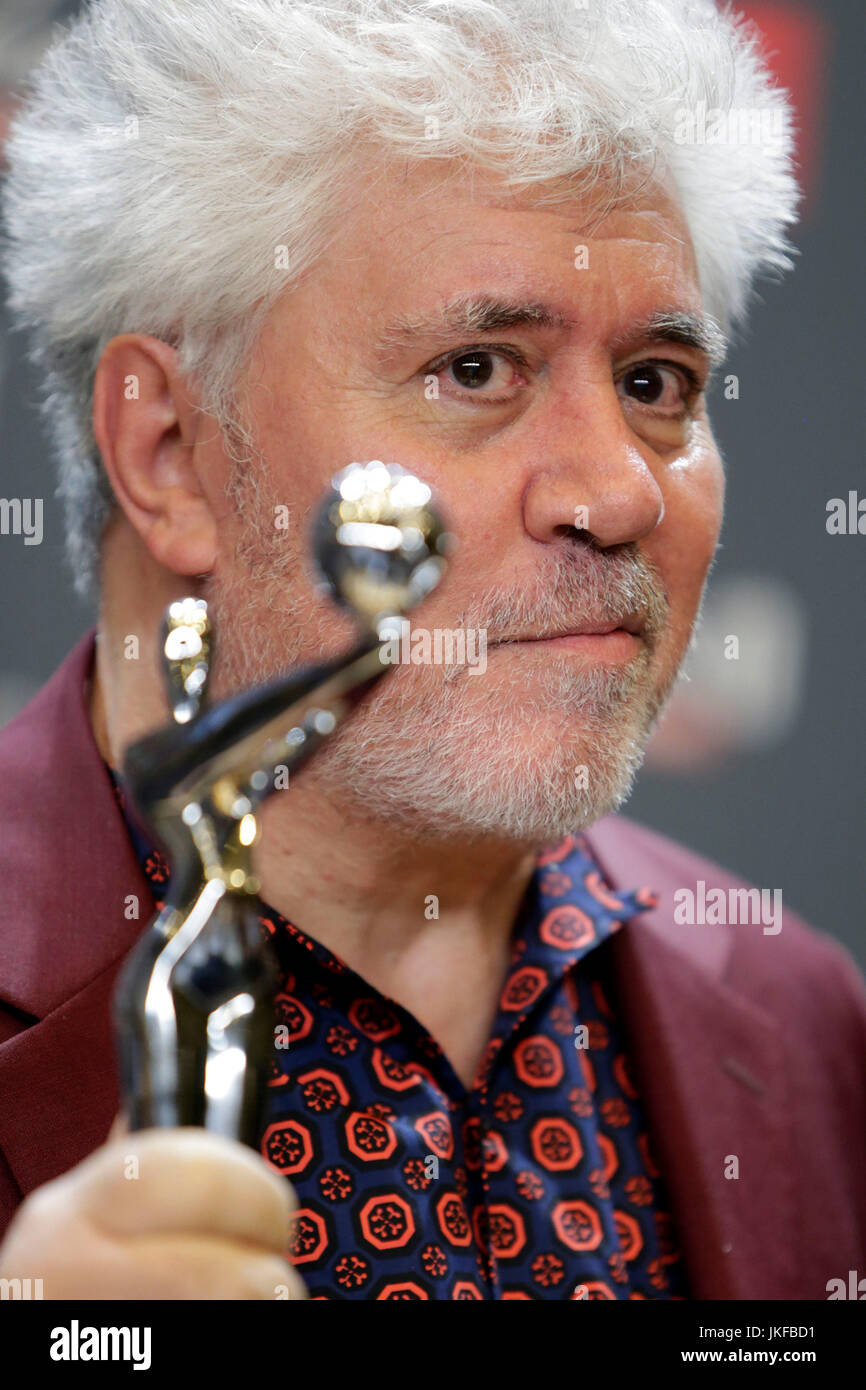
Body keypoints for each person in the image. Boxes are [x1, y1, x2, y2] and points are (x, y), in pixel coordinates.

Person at [0, 0, 863, 1301]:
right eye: (478, 368)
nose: (616, 493)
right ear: (167, 451)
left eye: (653, 383)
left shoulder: (798, 1019)